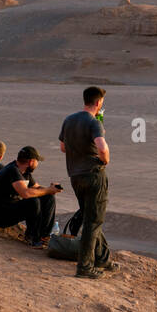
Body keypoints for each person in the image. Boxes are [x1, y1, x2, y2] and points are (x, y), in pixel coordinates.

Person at [58, 86, 118, 278]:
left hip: (75, 176)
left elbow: (62, 148)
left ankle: (103, 259)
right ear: (99, 102)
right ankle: (84, 266)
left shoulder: (69, 120)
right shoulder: (93, 122)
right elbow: (102, 146)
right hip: (93, 175)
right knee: (94, 220)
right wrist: (105, 159)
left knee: (89, 216)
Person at [0, 146, 62, 247]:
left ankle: (43, 236)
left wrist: (51, 189)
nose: (37, 164)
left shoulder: (25, 172)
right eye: (37, 161)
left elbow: (37, 188)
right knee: (33, 202)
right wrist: (48, 190)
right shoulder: (12, 170)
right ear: (31, 162)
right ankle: (32, 238)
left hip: (10, 209)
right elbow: (25, 193)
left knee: (48, 198)